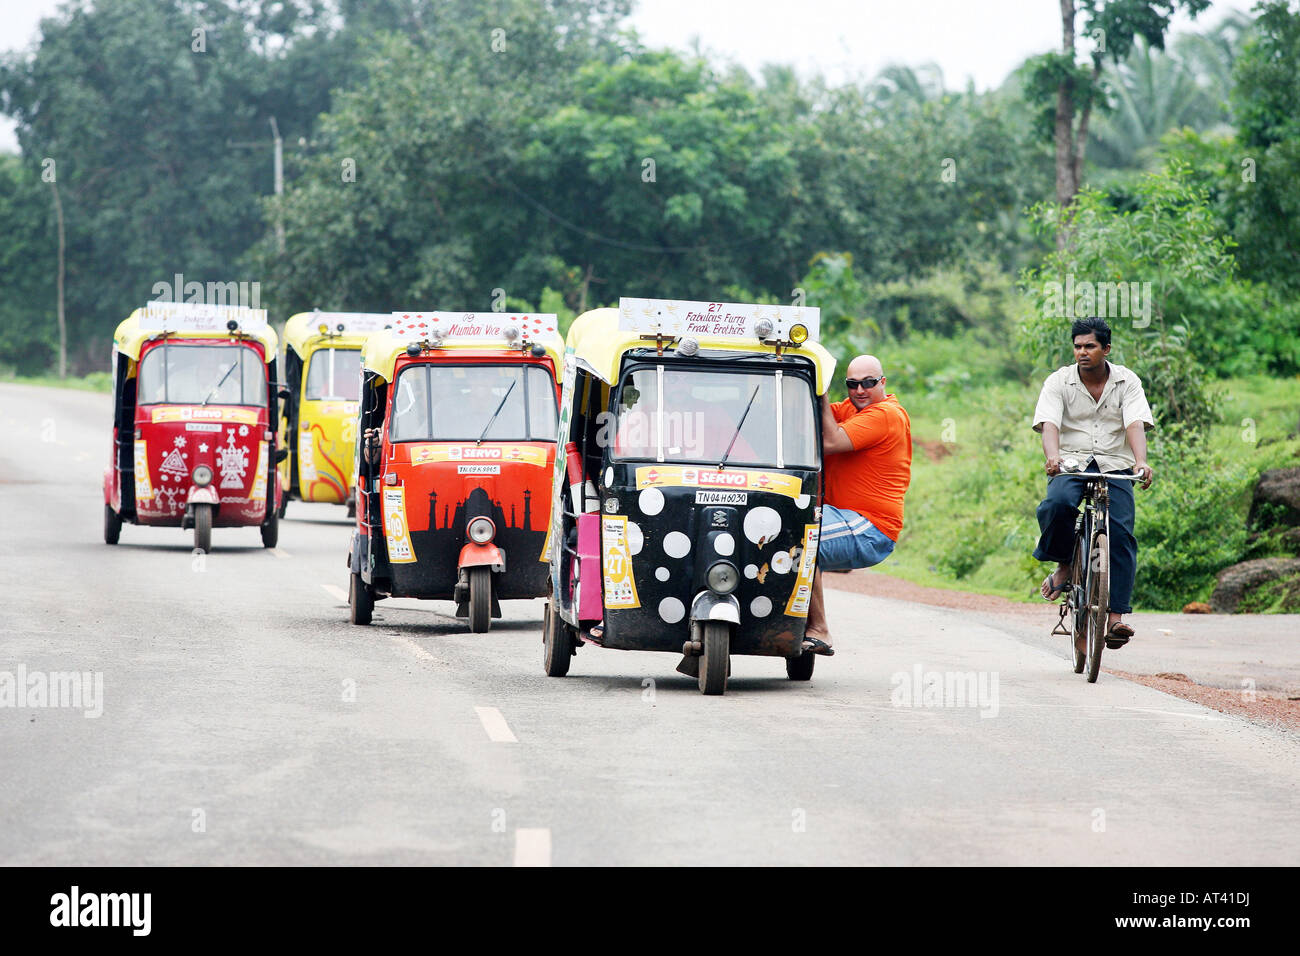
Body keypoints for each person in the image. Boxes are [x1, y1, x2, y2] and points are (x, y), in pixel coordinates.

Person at [1032, 317, 1154, 648]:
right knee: (1057, 505)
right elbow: (1049, 423)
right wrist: (1054, 457)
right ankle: (1064, 565)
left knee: (1121, 533)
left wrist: (1140, 461)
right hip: (1071, 462)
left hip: (1114, 464)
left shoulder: (1127, 382)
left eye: (1090, 346)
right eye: (1078, 346)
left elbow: (1135, 423)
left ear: (1106, 349)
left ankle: (1115, 617)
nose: (1082, 352)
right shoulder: (1059, 381)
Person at [803, 355, 912, 654]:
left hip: (871, 527)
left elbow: (831, 441)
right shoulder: (850, 408)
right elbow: (808, 415)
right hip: (841, 517)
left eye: (868, 383)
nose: (860, 390)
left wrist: (821, 392)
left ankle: (820, 629)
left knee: (802, 543)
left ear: (883, 383)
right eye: (852, 384)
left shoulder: (886, 414)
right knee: (782, 535)